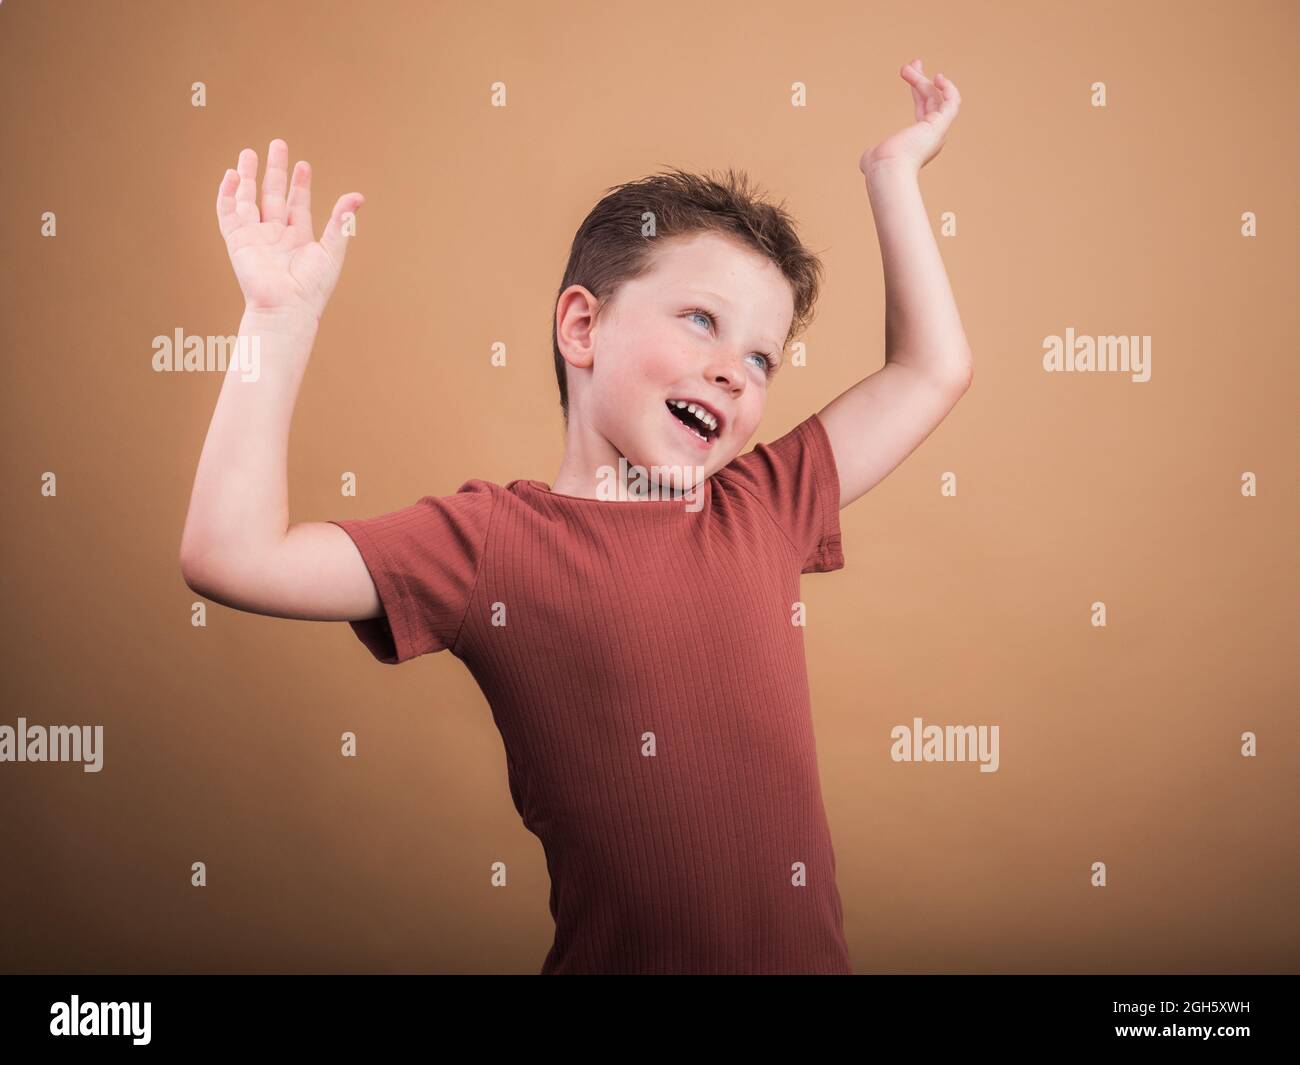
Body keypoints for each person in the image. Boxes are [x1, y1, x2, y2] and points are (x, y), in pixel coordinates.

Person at [180, 59, 972, 974]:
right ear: (583, 329)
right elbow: (230, 555)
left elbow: (930, 370)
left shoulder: (763, 505)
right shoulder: (491, 545)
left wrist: (893, 175)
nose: (733, 370)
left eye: (762, 358)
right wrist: (273, 329)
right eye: (702, 322)